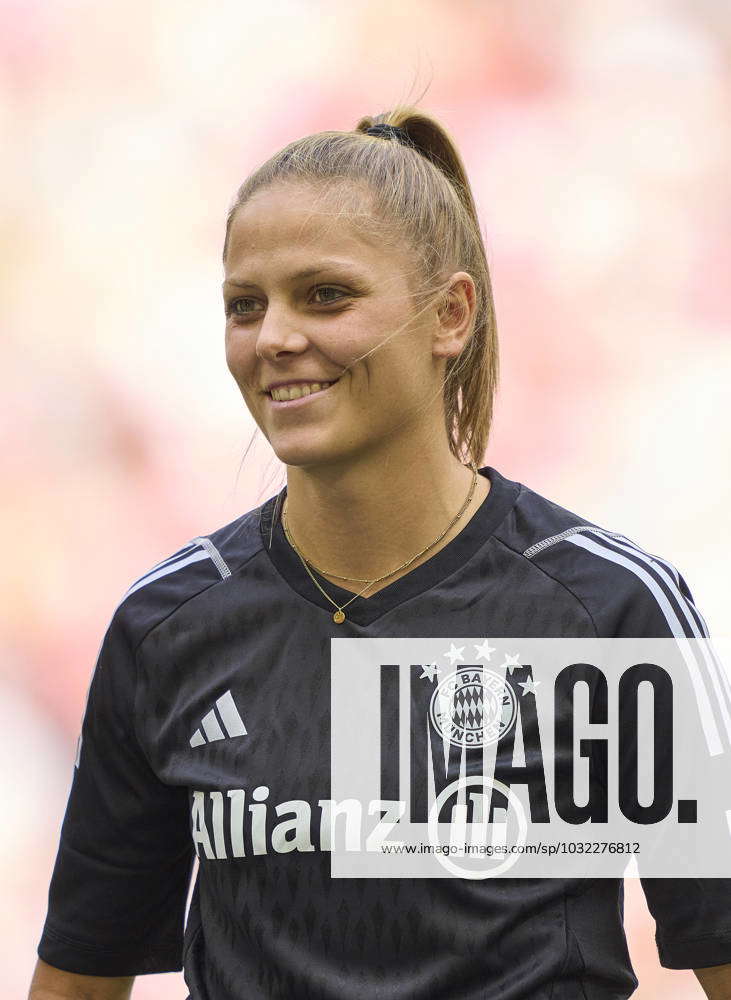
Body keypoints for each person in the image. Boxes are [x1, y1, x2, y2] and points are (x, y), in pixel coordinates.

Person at [29, 107, 731, 1000]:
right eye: (246, 305)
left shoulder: (603, 611)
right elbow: (80, 979)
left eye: (325, 295)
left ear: (450, 314)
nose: (274, 337)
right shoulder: (169, 627)